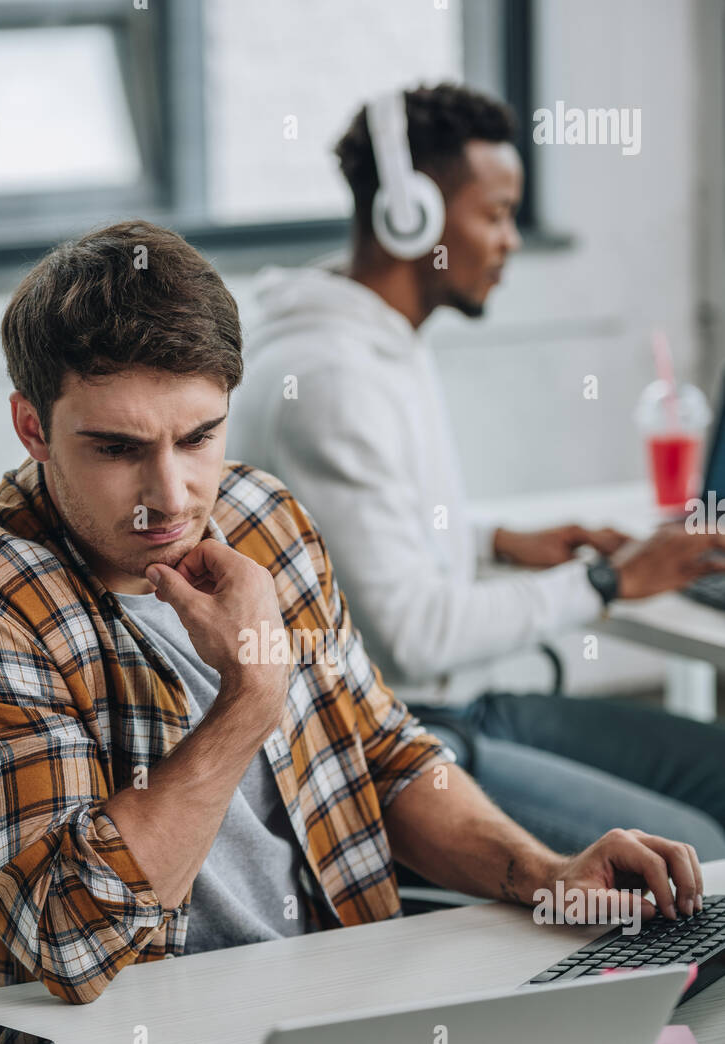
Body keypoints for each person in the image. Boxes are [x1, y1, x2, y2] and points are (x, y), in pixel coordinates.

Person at [0, 221, 707, 1004]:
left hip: (337, 990)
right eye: (117, 449)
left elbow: (383, 756)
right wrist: (249, 695)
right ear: (33, 427)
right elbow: (72, 941)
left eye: (198, 436)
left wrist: (544, 874)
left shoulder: (261, 515)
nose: (170, 497)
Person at [227, 83, 725, 859]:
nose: (510, 241)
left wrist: (497, 541)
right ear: (410, 217)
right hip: (400, 735)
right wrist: (606, 583)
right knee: (692, 848)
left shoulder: (373, 342)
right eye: (493, 214)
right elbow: (416, 636)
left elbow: (360, 541)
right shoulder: (332, 380)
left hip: (450, 707)